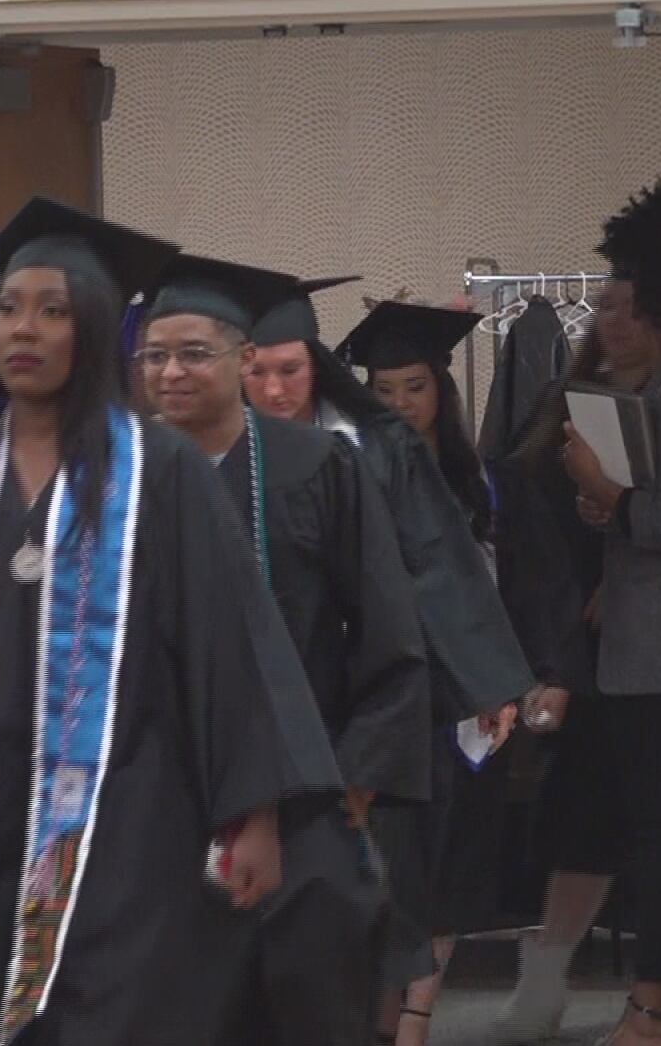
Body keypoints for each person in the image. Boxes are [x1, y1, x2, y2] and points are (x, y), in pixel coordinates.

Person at [0, 198, 343, 1046]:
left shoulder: (162, 475)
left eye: (52, 311)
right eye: (7, 307)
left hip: (123, 826)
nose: (22, 330)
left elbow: (232, 644)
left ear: (97, 331)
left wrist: (255, 812)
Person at [140, 256, 432, 1046]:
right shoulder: (118, 478)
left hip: (309, 798)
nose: (171, 372)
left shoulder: (316, 467)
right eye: (154, 355)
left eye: (193, 353)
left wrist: (353, 789)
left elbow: (390, 638)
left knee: (308, 1011)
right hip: (158, 805)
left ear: (242, 361)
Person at [499, 178, 661, 1046]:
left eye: (624, 298)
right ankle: (656, 1006)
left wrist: (603, 491)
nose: (609, 315)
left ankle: (653, 1014)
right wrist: (614, 512)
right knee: (655, 833)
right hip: (646, 647)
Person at [338, 298, 519, 1045]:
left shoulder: (474, 481)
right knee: (389, 866)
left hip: (459, 697)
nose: (401, 403)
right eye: (383, 390)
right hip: (389, 693)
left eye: (415, 386)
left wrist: (490, 683)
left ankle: (415, 1017)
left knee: (446, 867)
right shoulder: (354, 469)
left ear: (441, 391)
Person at [246, 280, 531, 725]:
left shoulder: (374, 448)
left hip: (372, 689)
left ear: (316, 365)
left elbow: (435, 562)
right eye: (257, 371)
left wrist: (487, 683)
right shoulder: (218, 453)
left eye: (289, 370)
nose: (274, 390)